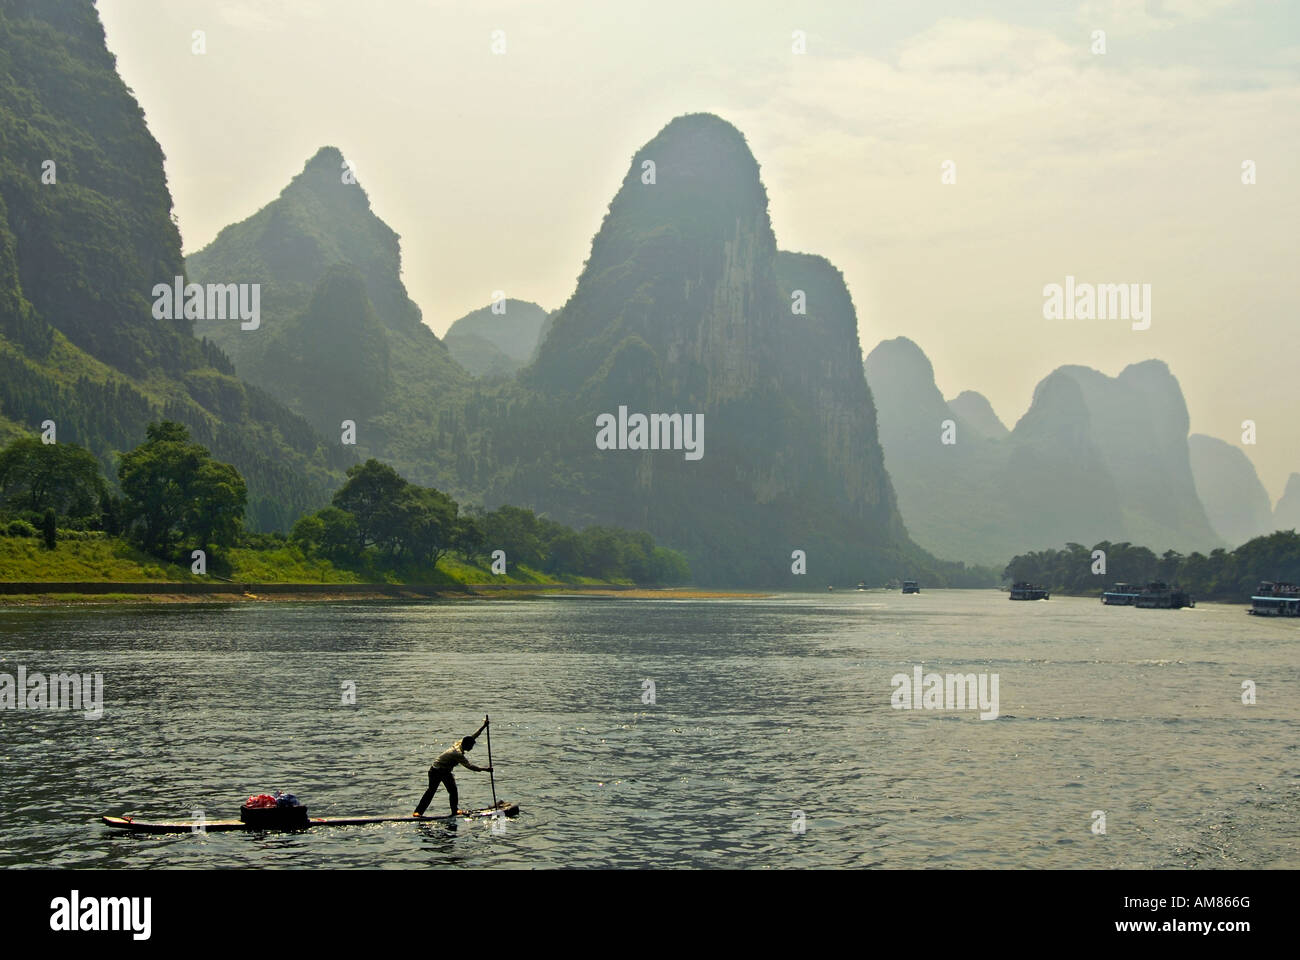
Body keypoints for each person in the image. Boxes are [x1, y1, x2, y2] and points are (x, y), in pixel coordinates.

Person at [413, 718, 493, 817]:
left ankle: (454, 811)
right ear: (467, 745)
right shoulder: (458, 753)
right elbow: (470, 766)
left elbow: (473, 736)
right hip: (436, 771)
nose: (472, 749)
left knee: (453, 790)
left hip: (445, 771)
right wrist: (486, 769)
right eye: (471, 746)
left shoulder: (460, 743)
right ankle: (418, 812)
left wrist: (484, 726)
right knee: (431, 791)